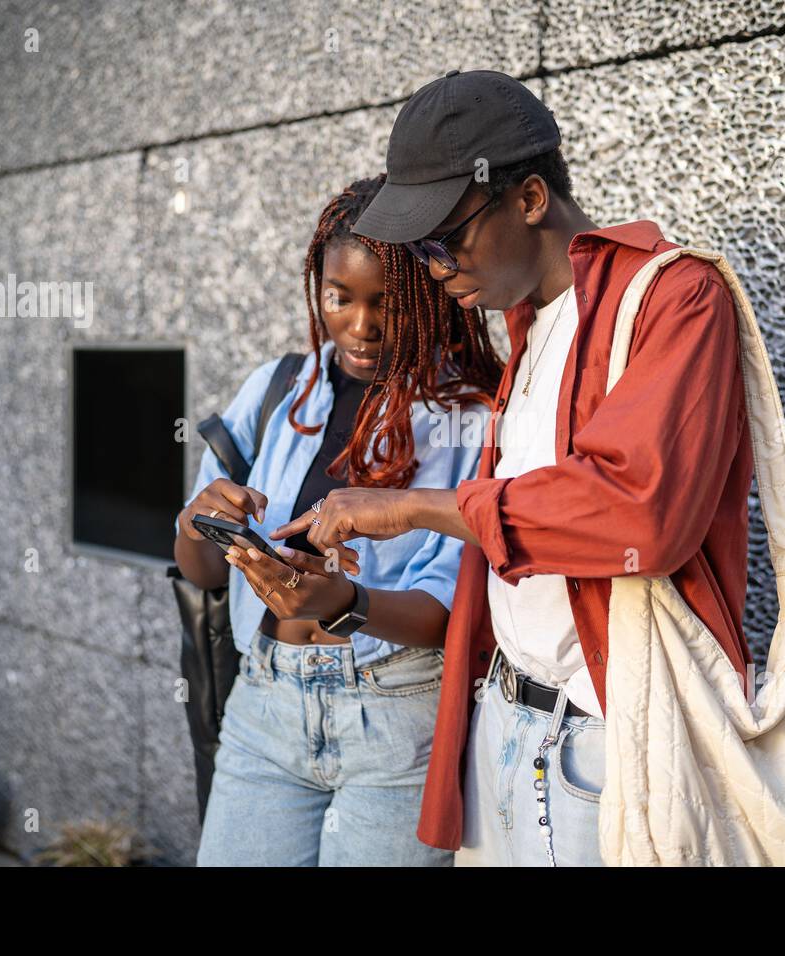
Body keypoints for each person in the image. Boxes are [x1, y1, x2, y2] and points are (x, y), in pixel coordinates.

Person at [270, 71, 756, 866]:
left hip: (602, 742)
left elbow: (641, 514)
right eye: (420, 251)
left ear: (529, 200)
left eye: (444, 241)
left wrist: (420, 508)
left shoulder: (676, 297)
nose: (434, 270)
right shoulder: (526, 324)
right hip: (504, 720)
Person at [175, 174, 504, 866]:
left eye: (387, 303)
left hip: (396, 715)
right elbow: (201, 572)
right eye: (340, 297)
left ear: (429, 296)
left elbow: (451, 613)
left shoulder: (471, 419)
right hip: (262, 702)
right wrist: (194, 523)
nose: (360, 325)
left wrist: (345, 603)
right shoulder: (275, 390)